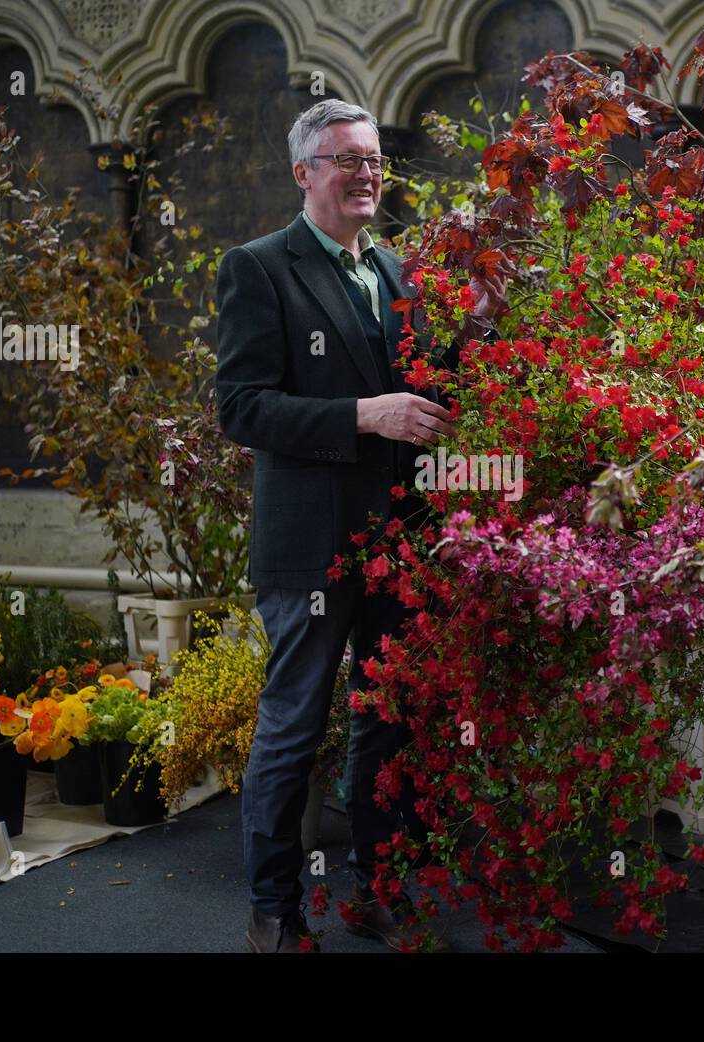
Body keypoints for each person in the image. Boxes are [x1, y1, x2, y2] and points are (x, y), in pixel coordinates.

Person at [215, 99, 505, 952]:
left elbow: (431, 394)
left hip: (402, 543)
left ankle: (380, 891)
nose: (365, 172)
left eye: (373, 158)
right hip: (311, 549)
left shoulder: (401, 275)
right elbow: (241, 408)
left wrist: (479, 327)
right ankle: (275, 912)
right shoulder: (260, 268)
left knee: (391, 721)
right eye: (345, 158)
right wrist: (361, 416)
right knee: (294, 728)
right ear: (304, 173)